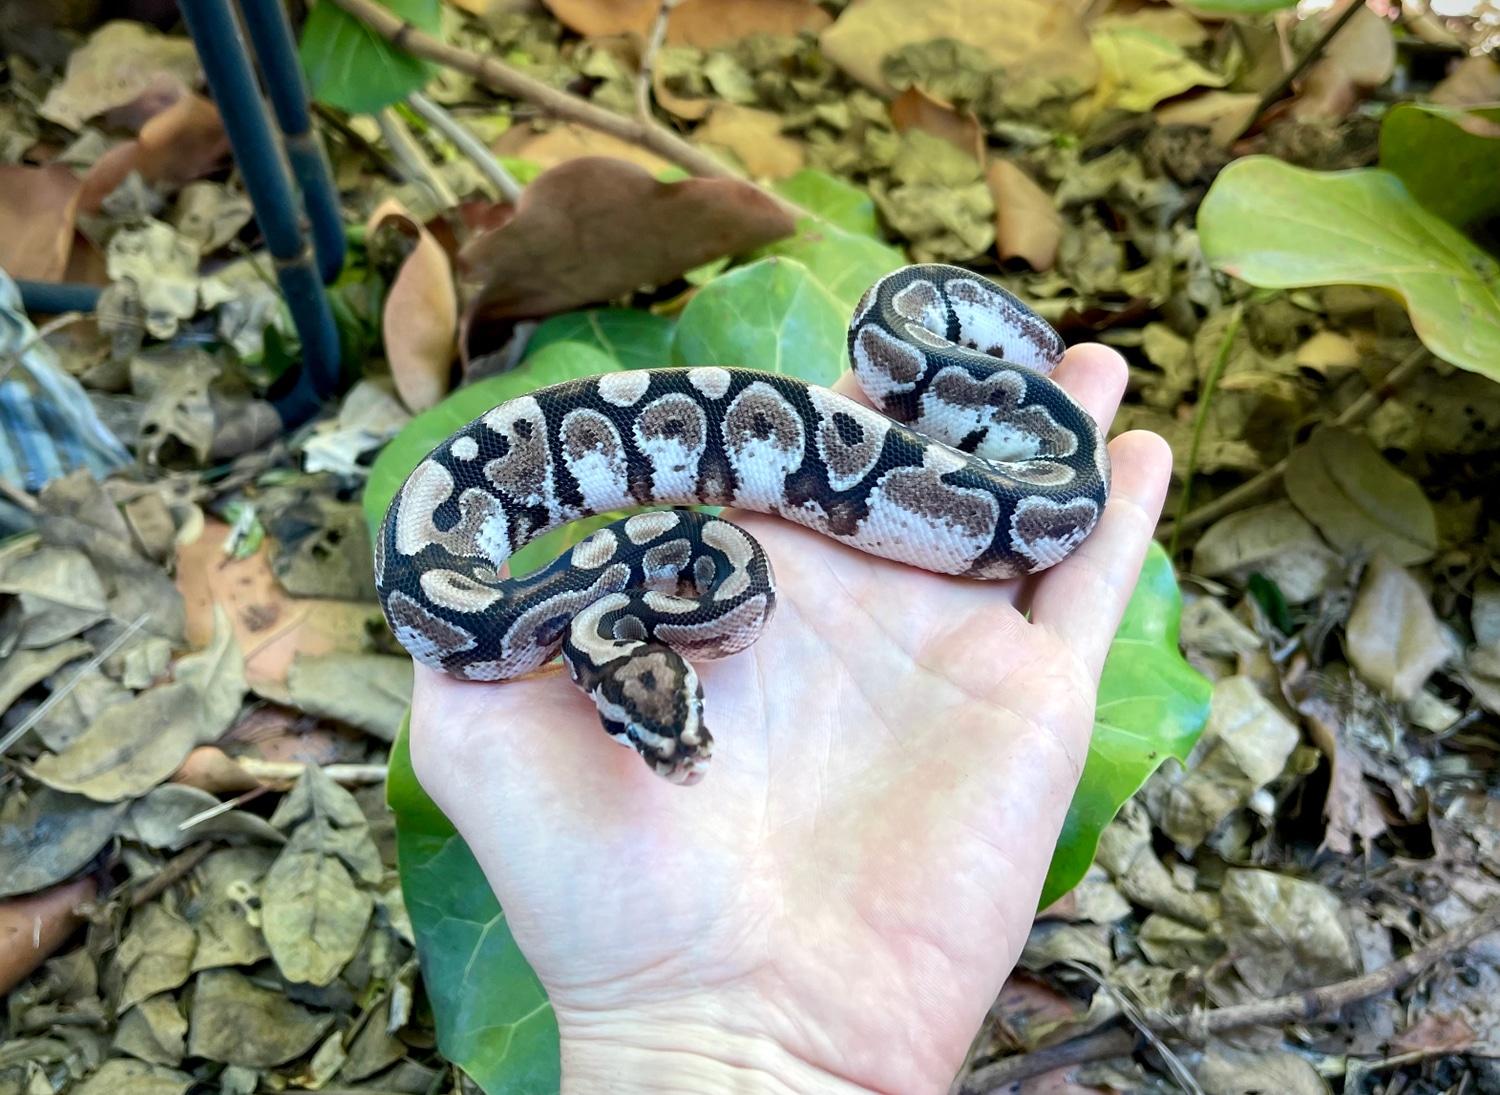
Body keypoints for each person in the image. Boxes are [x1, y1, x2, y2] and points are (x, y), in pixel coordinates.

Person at [409, 344, 1173, 1095]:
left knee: (1062, 475)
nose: (687, 759)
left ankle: (904, 334)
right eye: (637, 734)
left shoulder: (633, 611)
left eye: (678, 723)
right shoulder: (609, 620)